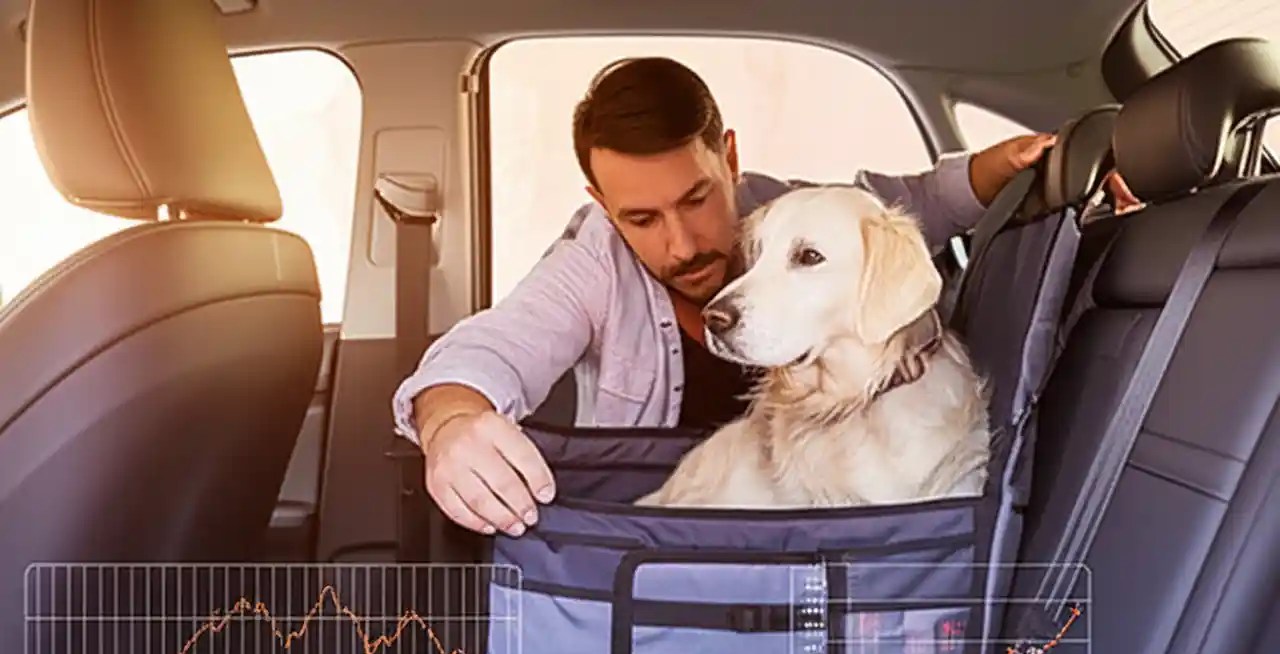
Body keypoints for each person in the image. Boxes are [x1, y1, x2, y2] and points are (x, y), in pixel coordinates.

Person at [391, 56, 1058, 538]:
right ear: (602, 206)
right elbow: (492, 349)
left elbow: (914, 204)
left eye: (696, 198)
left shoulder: (781, 214)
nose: (681, 245)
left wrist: (1027, 166)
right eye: (642, 219)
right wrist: (450, 423)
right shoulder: (594, 262)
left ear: (728, 159)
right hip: (692, 521)